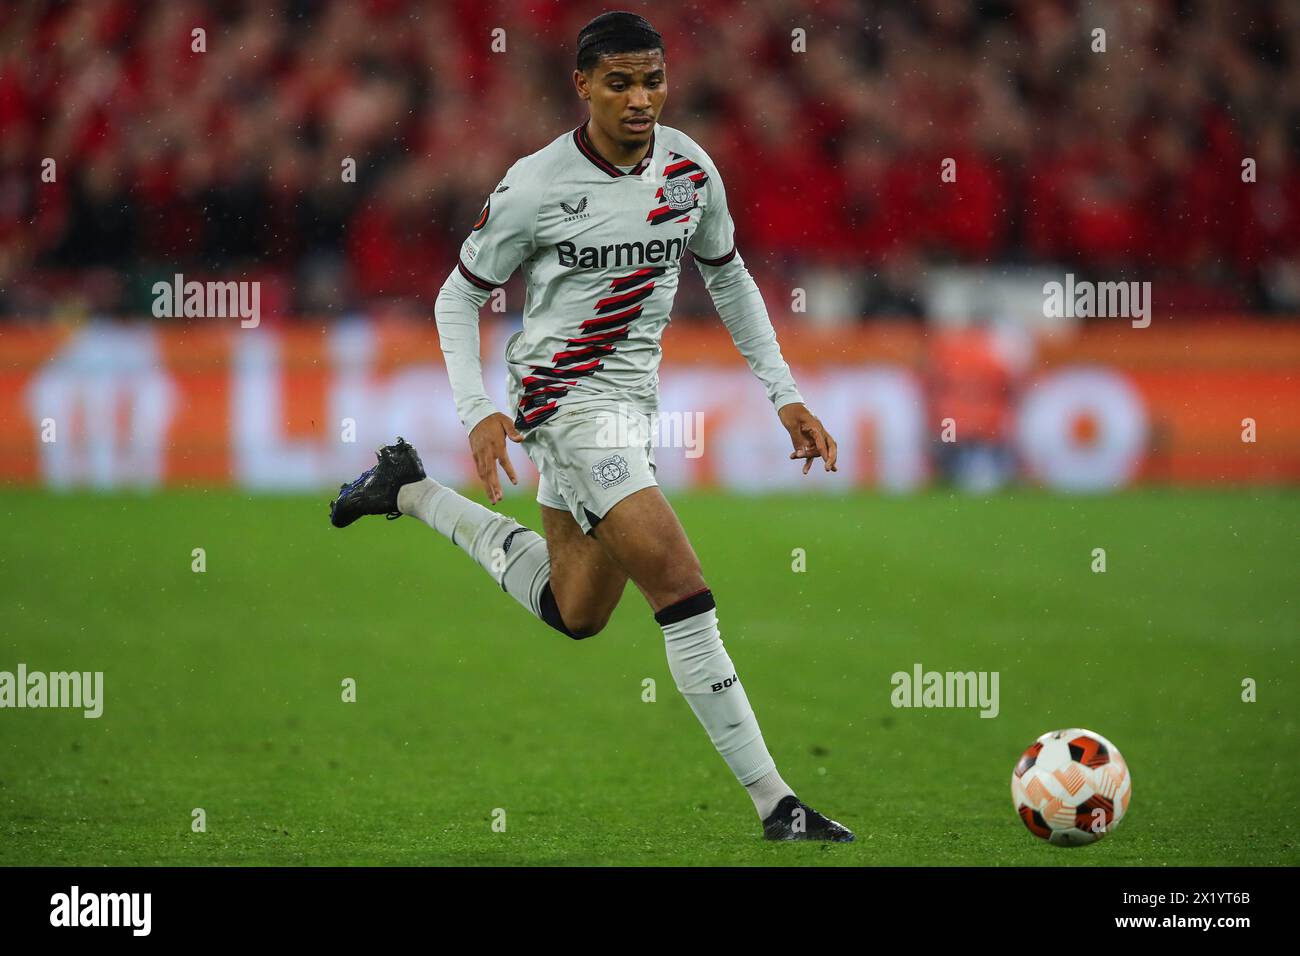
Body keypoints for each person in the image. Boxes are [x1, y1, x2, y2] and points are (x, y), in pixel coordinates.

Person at [330, 11, 851, 842]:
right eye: (620, 82)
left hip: (631, 411)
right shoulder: (536, 184)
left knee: (576, 609)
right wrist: (479, 412)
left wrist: (783, 393)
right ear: (582, 86)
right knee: (681, 586)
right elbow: (457, 295)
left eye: (652, 80)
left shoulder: (689, 170)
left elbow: (728, 276)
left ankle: (411, 491)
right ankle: (777, 803)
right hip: (564, 408)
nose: (640, 99)